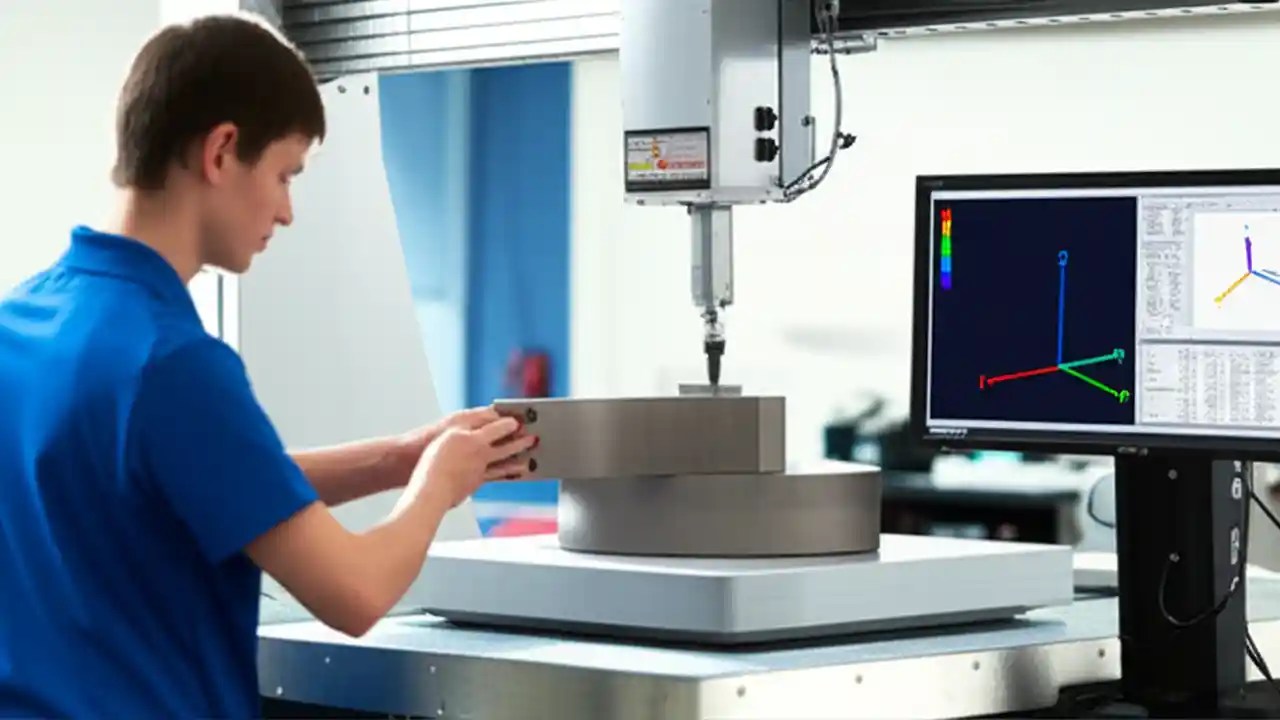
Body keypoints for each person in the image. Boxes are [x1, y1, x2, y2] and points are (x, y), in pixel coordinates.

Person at [0, 12, 536, 718]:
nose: (286, 211)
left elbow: (187, 483)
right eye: (285, 174)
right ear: (221, 152)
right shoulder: (172, 363)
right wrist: (439, 486)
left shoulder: (25, 320)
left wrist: (401, 457)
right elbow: (356, 593)